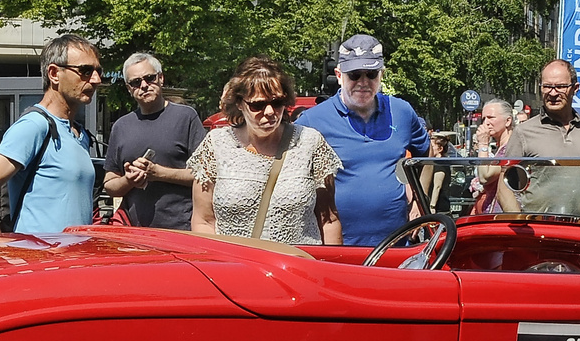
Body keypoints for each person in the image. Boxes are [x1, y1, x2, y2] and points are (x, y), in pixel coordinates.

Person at [188, 56, 342, 245]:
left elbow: (329, 220)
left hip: (299, 268)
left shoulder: (310, 142)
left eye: (277, 102)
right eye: (258, 105)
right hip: (236, 269)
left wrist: (329, 270)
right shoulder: (215, 144)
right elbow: (203, 221)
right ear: (239, 103)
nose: (269, 111)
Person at [294, 34, 430, 246]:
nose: (363, 83)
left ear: (381, 75)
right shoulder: (312, 120)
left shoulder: (401, 112)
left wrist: (420, 202)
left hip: (397, 245)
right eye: (355, 75)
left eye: (371, 74)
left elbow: (426, 157)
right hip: (335, 248)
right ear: (339, 75)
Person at [0, 34, 100, 235]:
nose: (96, 79)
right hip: (41, 260)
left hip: (75, 260)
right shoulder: (35, 125)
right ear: (54, 73)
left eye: (98, 71)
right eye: (85, 71)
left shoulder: (79, 133)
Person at [103, 53, 205, 230]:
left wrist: (159, 173)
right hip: (134, 234)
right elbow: (110, 184)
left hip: (182, 230)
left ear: (161, 78)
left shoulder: (186, 117)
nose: (143, 85)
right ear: (129, 88)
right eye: (136, 82)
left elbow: (205, 175)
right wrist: (129, 180)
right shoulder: (121, 126)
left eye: (149, 78)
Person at [499, 59, 580, 217]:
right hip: (540, 232)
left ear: (575, 88)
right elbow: (504, 184)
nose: (553, 93)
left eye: (561, 87)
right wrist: (520, 222)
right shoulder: (524, 131)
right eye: (547, 86)